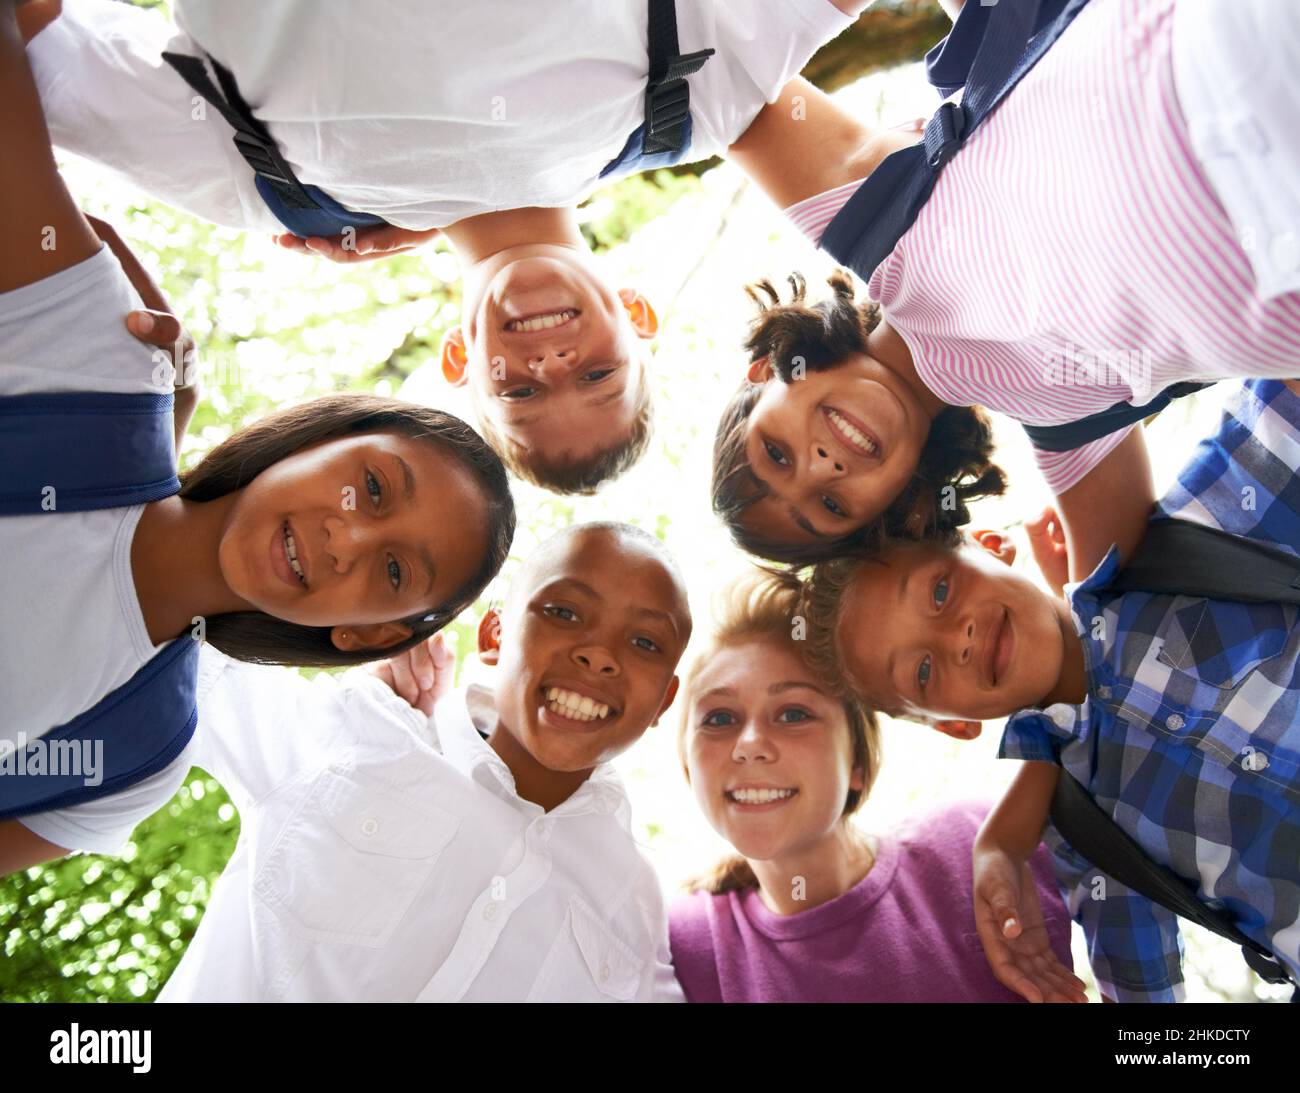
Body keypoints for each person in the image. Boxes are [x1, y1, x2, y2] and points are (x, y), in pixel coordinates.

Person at [0, 3, 515, 874]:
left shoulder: (134, 756)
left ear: (361, 635)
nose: (346, 536)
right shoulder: (104, 371)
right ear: (309, 441)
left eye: (394, 573)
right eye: (373, 486)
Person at [20, 0, 867, 493]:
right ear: (638, 312)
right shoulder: (690, 97)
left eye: (521, 390)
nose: (550, 358)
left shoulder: (263, 182)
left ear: (462, 358)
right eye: (596, 373)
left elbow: (40, 54)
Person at [713, 0, 1300, 574]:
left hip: (1225, 52)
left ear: (767, 372)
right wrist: (1065, 592)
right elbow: (1109, 613)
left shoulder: (875, 225)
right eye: (832, 507)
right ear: (899, 510)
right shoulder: (1066, 427)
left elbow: (718, 79)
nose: (820, 469)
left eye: (776, 453)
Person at [799, 381, 1300, 1001]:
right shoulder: (1088, 836)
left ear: (990, 547)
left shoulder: (1195, 538)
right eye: (923, 673)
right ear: (952, 724)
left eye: (939, 592)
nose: (956, 639)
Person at [156, 522, 694, 1001]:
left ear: (662, 704)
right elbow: (150, 628)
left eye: (646, 641)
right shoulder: (362, 732)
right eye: (563, 611)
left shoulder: (637, 907)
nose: (599, 654)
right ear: (494, 634)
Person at [668, 571, 1079, 1002]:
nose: (749, 745)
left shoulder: (982, 839)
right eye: (719, 718)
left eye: (792, 714)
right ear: (688, 767)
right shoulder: (680, 947)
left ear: (859, 763)